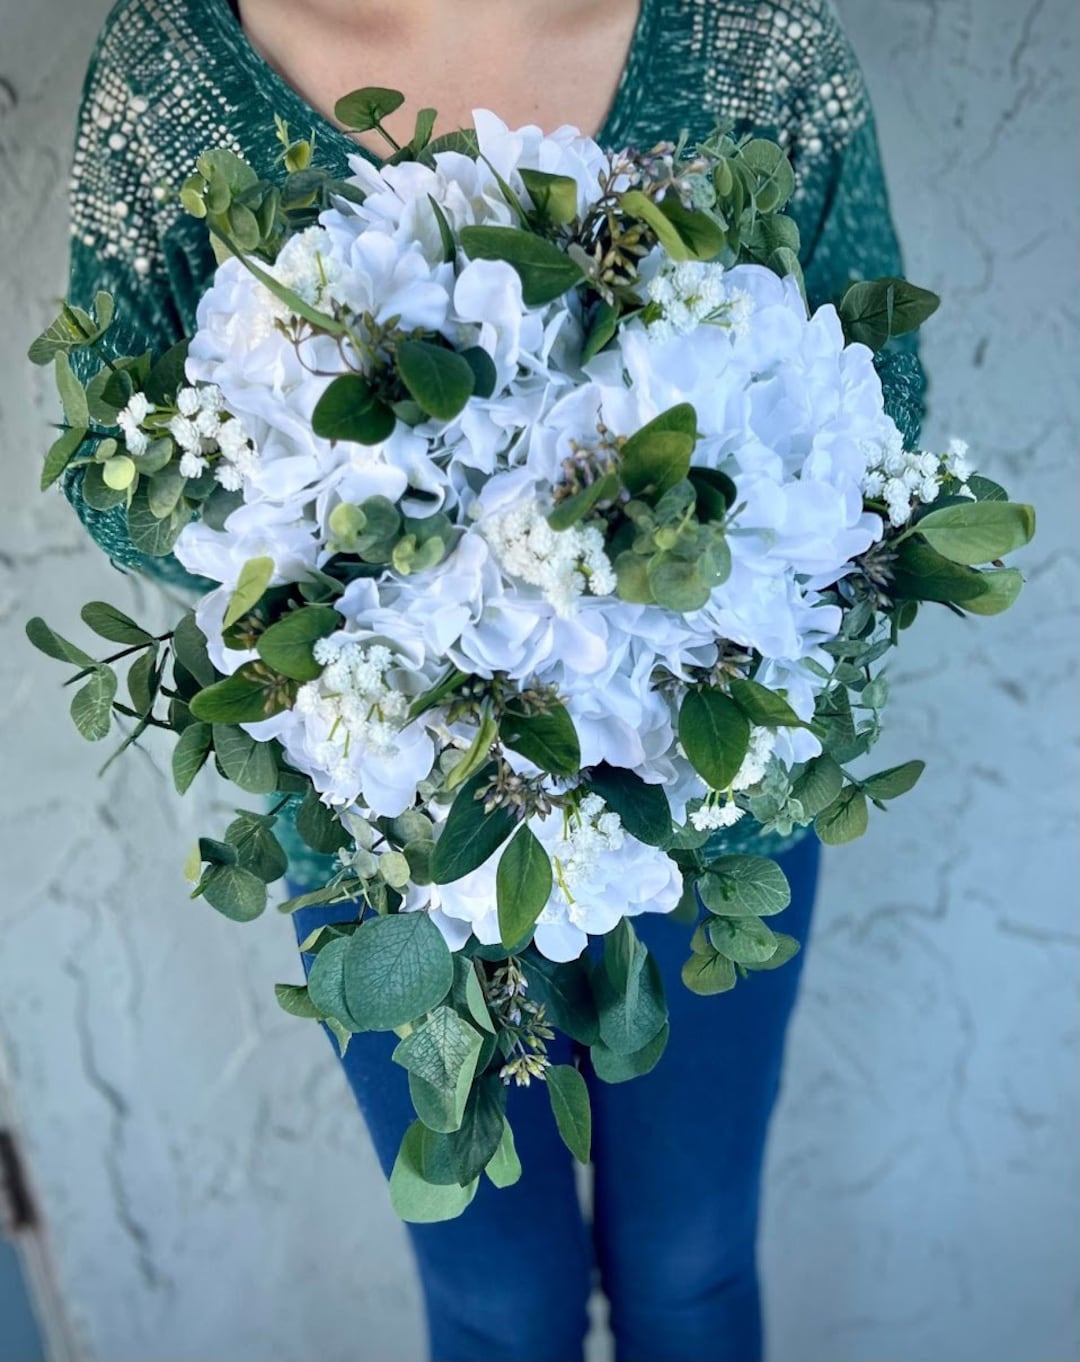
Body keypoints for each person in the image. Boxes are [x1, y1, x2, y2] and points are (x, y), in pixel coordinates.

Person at [62, 2, 927, 1359]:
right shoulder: (174, 64)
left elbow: (886, 415)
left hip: (710, 796)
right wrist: (379, 516)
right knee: (493, 1293)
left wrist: (644, 519)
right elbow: (112, 470)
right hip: (379, 818)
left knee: (690, 1264)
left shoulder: (758, 39)